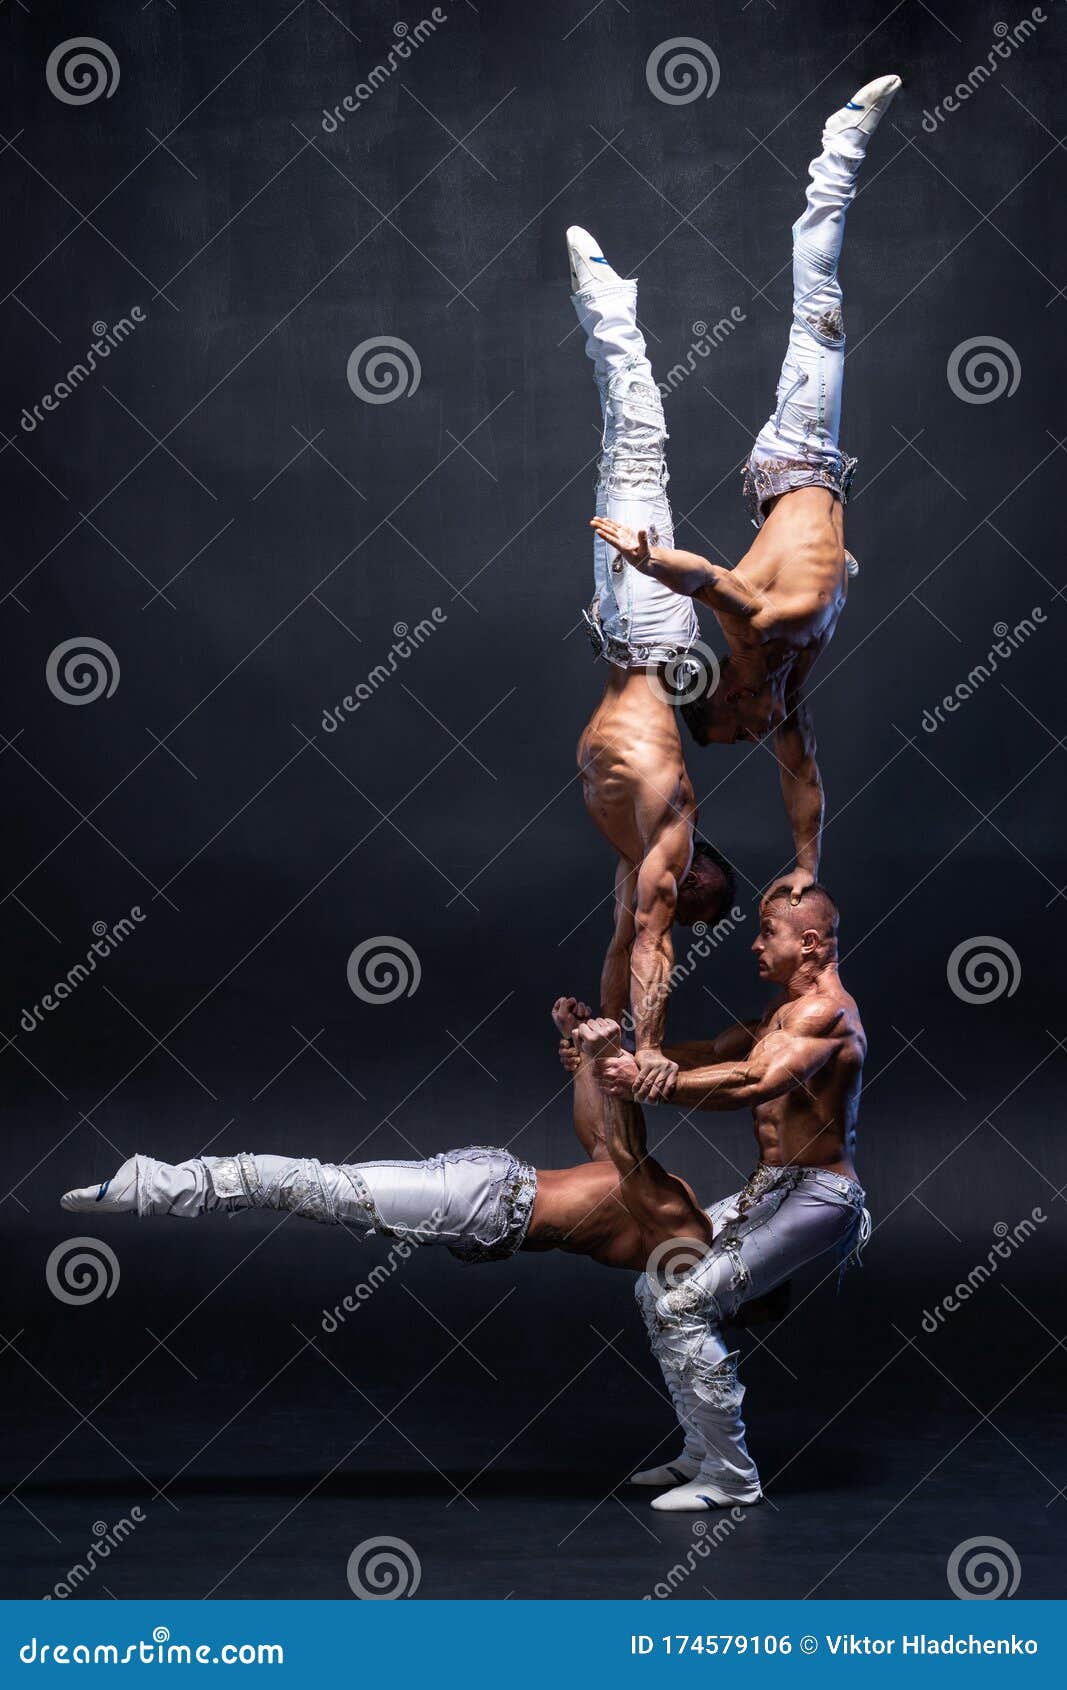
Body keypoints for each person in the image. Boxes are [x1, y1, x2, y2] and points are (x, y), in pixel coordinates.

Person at [60, 888, 866, 1512]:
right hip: (505, 1193)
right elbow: (660, 1089)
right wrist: (612, 1056)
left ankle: (729, 1474)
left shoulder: (821, 1023)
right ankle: (708, 1456)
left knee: (679, 1298)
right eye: (756, 928)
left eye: (766, 933)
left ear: (811, 942)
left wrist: (624, 1069)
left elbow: (749, 1084)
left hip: (815, 1194)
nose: (752, 943)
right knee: (665, 1294)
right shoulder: (684, 1191)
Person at [590, 76, 901, 906]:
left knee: (820, 310)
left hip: (795, 461)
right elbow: (803, 779)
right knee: (822, 314)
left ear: (727, 697)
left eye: (736, 728)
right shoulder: (787, 694)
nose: (755, 734)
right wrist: (805, 863)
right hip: (819, 474)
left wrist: (653, 563)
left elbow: (713, 583)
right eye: (748, 735)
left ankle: (837, 151)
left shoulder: (751, 640)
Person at [567, 220, 736, 1100]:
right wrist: (605, 1043)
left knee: (638, 436)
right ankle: (603, 303)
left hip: (638, 629)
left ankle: (605, 299)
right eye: (690, 902)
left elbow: (644, 947)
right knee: (625, 448)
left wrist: (646, 1049)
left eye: (683, 906)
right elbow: (628, 945)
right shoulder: (640, 852)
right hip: (624, 637)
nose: (674, 905)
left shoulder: (659, 843)